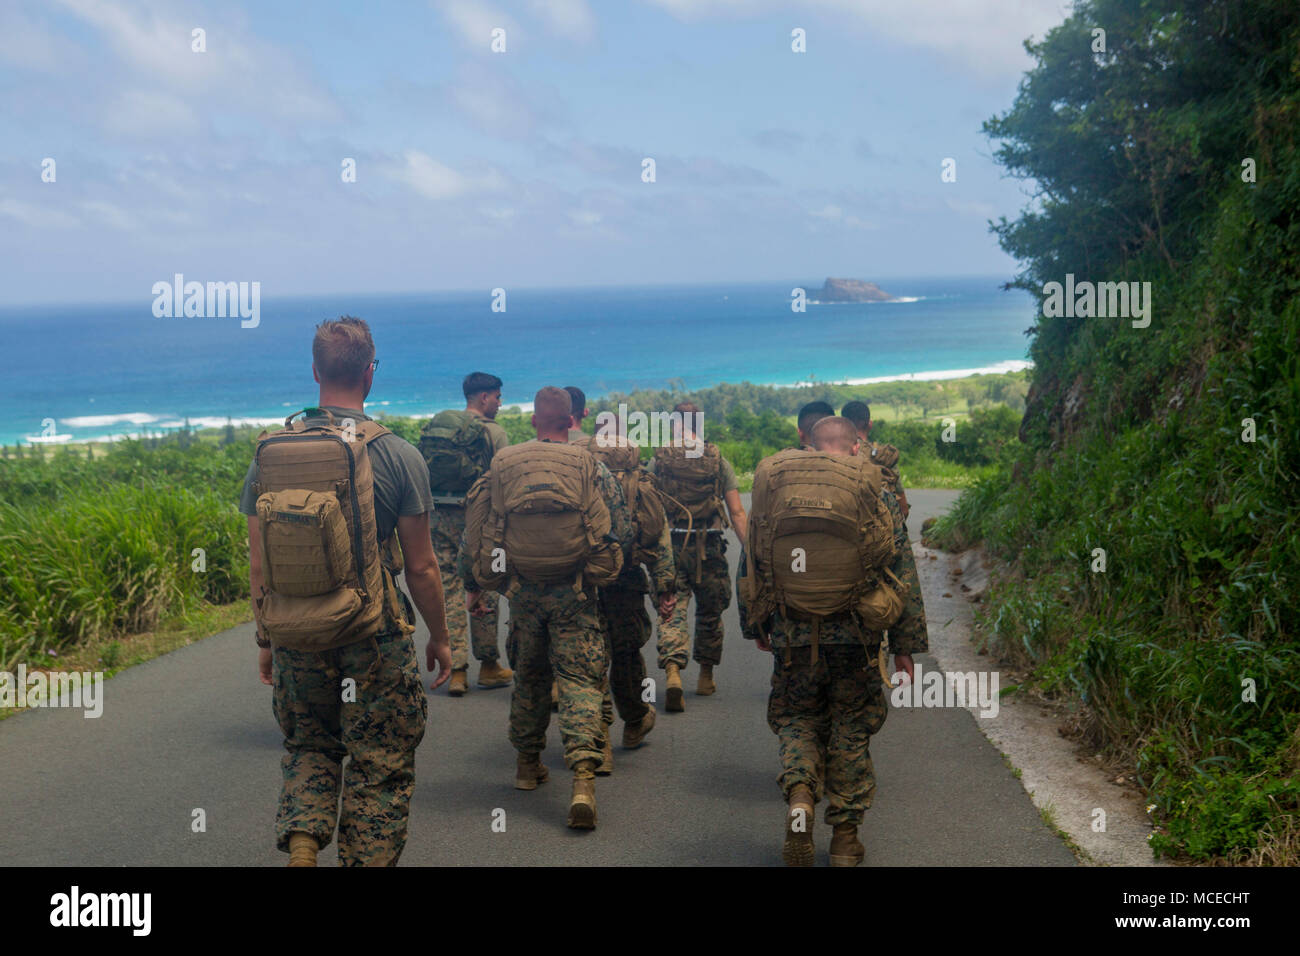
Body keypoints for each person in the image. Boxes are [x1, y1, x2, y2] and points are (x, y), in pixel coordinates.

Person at [243, 315, 452, 867]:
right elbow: (422, 566)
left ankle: (305, 844)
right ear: (370, 374)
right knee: (379, 760)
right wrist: (441, 636)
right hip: (372, 630)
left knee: (310, 744)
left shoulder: (271, 453)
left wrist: (266, 637)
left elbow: (259, 560)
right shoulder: (398, 454)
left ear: (314, 370)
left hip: (295, 630)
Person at [738, 415, 928, 867]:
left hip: (793, 630)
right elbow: (902, 571)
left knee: (798, 717)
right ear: (856, 444)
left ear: (811, 445)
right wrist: (905, 644)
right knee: (852, 727)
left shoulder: (779, 486)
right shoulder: (874, 488)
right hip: (858, 634)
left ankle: (802, 793)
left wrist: (756, 624)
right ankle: (844, 838)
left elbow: (751, 556)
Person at [459, 387, 632, 829]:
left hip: (523, 594)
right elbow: (621, 529)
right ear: (572, 421)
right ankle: (583, 780)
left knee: (531, 678)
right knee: (580, 681)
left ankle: (526, 766)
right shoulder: (589, 465)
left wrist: (475, 585)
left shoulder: (507, 464)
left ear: (535, 421)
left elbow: (477, 525)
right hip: (575, 593)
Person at [567, 389, 676, 772]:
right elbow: (657, 534)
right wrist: (665, 587)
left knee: (588, 656)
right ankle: (633, 721)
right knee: (626, 652)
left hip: (581, 576)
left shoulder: (576, 469)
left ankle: (599, 740)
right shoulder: (639, 480)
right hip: (626, 576)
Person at [647, 402, 747, 709]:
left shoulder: (659, 461)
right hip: (710, 546)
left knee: (671, 609)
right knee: (710, 612)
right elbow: (737, 511)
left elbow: (647, 508)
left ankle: (674, 671)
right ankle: (705, 676)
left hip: (670, 547)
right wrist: (753, 552)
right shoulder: (717, 460)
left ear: (674, 425)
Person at [427, 372, 513, 696]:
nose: (500, 403)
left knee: (448, 588)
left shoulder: (442, 426)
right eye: (497, 397)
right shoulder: (494, 433)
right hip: (476, 519)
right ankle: (489, 665)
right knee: (484, 586)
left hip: (438, 516)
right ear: (483, 398)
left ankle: (458, 669)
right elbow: (502, 484)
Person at [841, 400, 910, 521]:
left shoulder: (834, 454)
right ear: (870, 424)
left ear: (842, 426)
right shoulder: (883, 456)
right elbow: (903, 509)